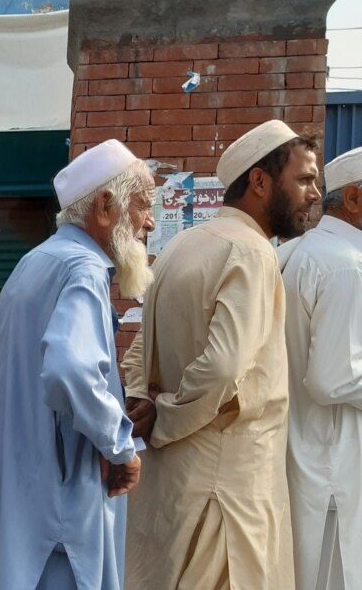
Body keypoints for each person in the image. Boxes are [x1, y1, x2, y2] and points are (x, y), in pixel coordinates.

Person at [123, 119, 321, 589]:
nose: (314, 195)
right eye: (304, 179)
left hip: (174, 491)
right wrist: (166, 416)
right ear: (260, 182)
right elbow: (224, 367)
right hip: (226, 502)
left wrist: (144, 400)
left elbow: (138, 350)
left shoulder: (182, 244)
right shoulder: (251, 253)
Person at [0, 139, 153, 590]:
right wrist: (120, 446)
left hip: (20, 503)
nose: (149, 221)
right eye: (143, 205)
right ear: (106, 207)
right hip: (61, 518)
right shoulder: (83, 270)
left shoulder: (33, 263)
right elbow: (70, 369)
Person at [279, 145, 362, 590]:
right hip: (332, 472)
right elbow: (332, 379)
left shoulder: (305, 250)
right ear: (354, 198)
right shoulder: (345, 266)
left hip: (308, 462)